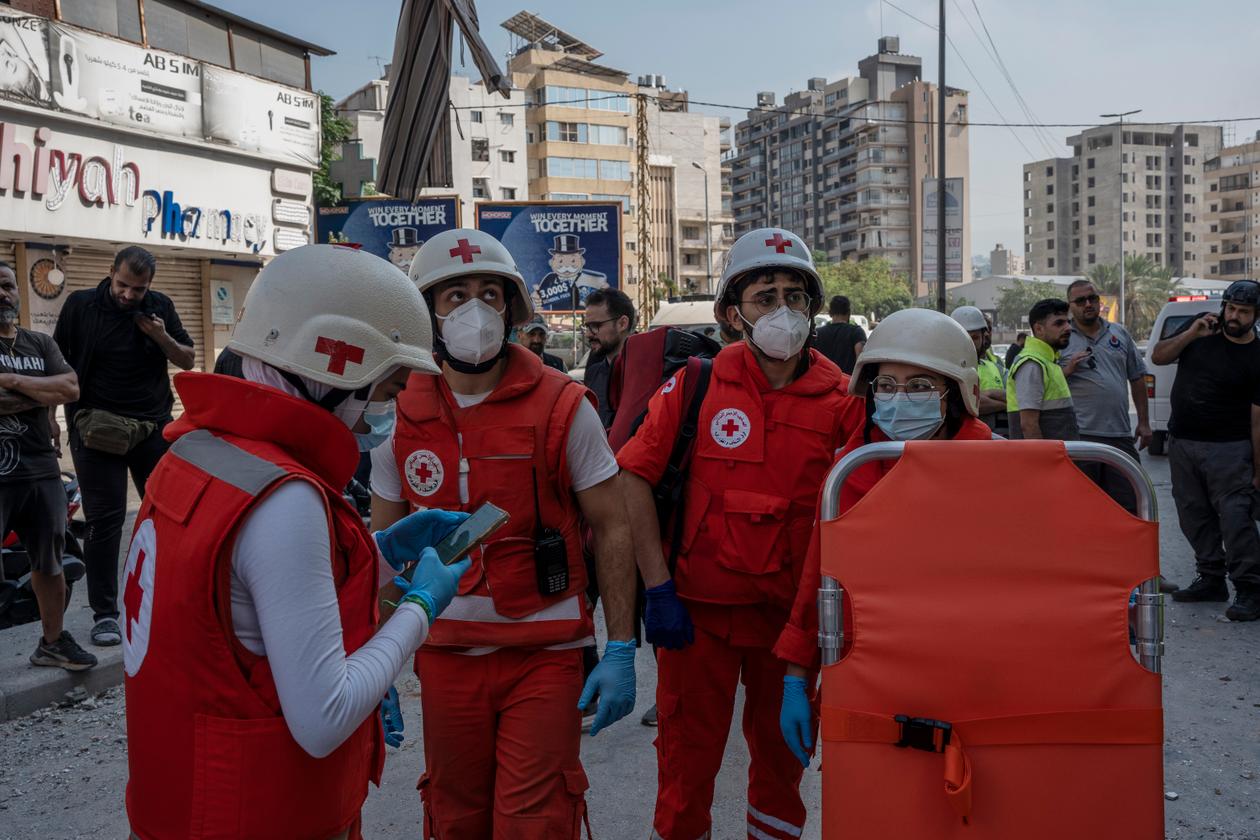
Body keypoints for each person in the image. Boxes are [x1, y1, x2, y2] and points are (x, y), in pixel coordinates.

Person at [122, 244, 472, 839]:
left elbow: (233, 610)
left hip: (176, 804)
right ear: (333, 364)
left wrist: (379, 554)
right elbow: (325, 714)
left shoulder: (193, 454)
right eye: (380, 394)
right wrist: (421, 608)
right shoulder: (285, 498)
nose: (371, 421)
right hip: (264, 814)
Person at [370, 228, 638, 837]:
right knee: (455, 815)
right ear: (427, 314)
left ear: (511, 308)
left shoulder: (564, 405)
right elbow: (381, 550)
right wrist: (374, 653)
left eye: (490, 293)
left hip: (544, 654)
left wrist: (620, 645)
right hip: (444, 654)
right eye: (455, 294)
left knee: (534, 821)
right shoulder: (396, 414)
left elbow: (612, 525)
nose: (474, 309)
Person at [618, 228, 864, 840]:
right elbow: (632, 481)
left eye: (795, 296)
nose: (783, 310)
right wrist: (657, 589)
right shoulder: (696, 386)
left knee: (783, 768)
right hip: (695, 619)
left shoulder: (841, 401)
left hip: (789, 629)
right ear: (734, 313)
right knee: (684, 768)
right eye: (765, 296)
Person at [777, 308, 992, 766]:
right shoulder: (848, 472)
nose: (898, 399)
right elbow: (820, 579)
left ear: (956, 394)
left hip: (976, 672)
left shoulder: (1000, 468)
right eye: (887, 385)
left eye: (919, 386)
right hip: (869, 670)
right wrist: (797, 676)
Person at [53, 246, 195, 647]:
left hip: (152, 428)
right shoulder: (81, 306)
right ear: (110, 273)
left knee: (168, 517)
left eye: (138, 288)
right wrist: (51, 419)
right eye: (122, 285)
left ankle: (166, 603)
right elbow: (57, 364)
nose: (128, 295)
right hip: (96, 428)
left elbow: (187, 359)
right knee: (104, 520)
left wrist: (160, 334)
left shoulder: (159, 307)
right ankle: (105, 614)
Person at [0, 263, 93, 671]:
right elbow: (54, 390)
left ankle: (52, 643)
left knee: (50, 560)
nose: (1, 293)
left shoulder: (39, 343)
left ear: (17, 290)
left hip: (40, 469)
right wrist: (41, 395)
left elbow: (71, 387)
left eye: (5, 285)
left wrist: (13, 383)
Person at [1152, 280, 1260, 622]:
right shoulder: (1200, 330)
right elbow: (1158, 356)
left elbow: (1258, 420)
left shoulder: (1257, 355)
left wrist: (1259, 469)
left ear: (1255, 316)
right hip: (1183, 443)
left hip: (1230, 449)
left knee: (1236, 519)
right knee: (1193, 515)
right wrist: (1192, 332)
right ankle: (1211, 578)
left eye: (1243, 312)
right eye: (1231, 308)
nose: (1234, 316)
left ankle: (1250, 588)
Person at [1061, 279, 1151, 513]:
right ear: (1070, 305)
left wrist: (1143, 422)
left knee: (1129, 506)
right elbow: (1045, 381)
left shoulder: (1119, 333)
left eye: (1093, 299)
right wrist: (1066, 369)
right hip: (1080, 436)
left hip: (1120, 435)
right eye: (1080, 300)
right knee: (1084, 508)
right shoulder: (1061, 339)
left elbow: (1137, 377)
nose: (1088, 304)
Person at [1006, 299, 1080, 441]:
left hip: (1058, 457)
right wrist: (1043, 462)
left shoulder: (1047, 361)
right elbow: (1028, 425)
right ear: (1039, 329)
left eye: (1068, 322)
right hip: (1045, 460)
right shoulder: (1032, 364)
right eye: (1059, 323)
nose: (1068, 328)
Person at [582, 287, 635, 429]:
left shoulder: (649, 372)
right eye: (587, 326)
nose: (588, 334)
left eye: (595, 326)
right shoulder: (593, 373)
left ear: (622, 324)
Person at [951, 305, 1007, 431]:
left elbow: (1016, 398)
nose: (970, 343)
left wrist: (986, 395)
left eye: (975, 337)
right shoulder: (945, 370)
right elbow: (965, 404)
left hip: (997, 442)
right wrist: (1004, 404)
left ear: (984, 337)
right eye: (964, 337)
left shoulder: (998, 368)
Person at [813, 294, 867, 373]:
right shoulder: (856, 332)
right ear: (848, 312)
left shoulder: (817, 333)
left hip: (823, 382)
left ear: (830, 313)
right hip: (847, 383)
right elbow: (861, 360)